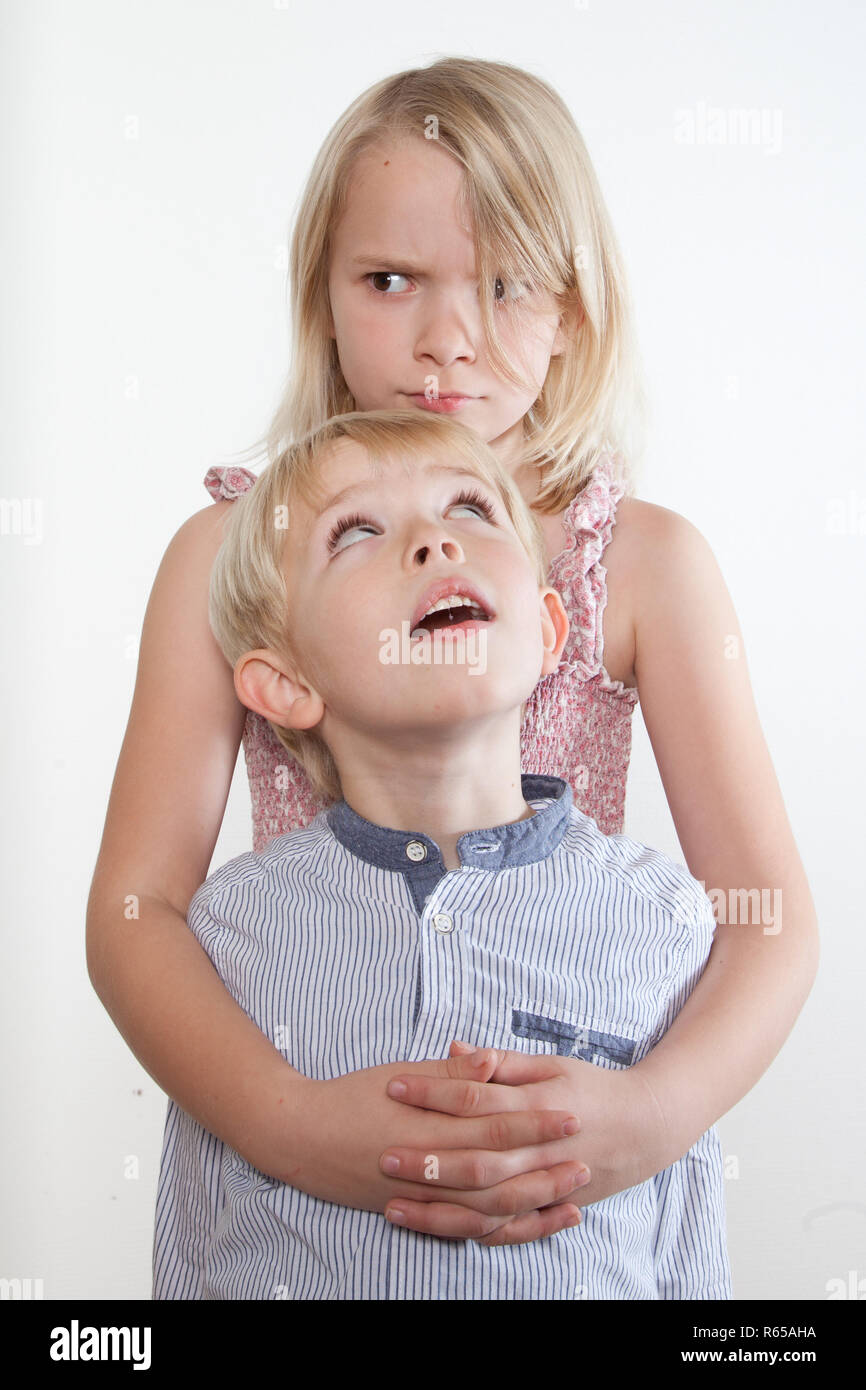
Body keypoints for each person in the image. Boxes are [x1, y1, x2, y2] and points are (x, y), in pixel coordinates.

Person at [87, 56, 818, 1251]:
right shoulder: (234, 551)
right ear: (320, 293)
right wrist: (290, 1125)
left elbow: (769, 918)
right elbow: (135, 910)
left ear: (577, 310)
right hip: (312, 1120)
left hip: (557, 1159)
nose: (447, 341)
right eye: (389, 280)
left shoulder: (638, 564)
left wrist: (648, 1116)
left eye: (507, 286)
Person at [153, 408, 731, 1300]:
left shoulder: (662, 922)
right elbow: (192, 1250)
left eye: (469, 510)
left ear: (548, 629)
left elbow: (693, 1262)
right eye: (356, 531)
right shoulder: (228, 938)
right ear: (284, 683)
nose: (433, 545)